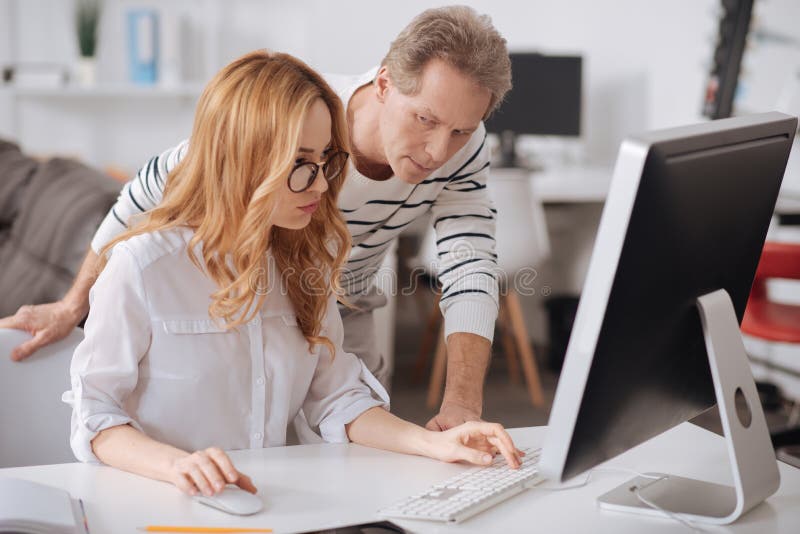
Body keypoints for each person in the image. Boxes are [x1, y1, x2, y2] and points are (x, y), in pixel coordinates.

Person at [3, 6, 511, 432]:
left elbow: (469, 265)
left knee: (357, 431)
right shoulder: (303, 114)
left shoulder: (463, 150)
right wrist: (73, 304)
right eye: (425, 119)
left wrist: (462, 407)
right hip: (259, 288)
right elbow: (141, 194)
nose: (439, 151)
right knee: (257, 431)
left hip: (346, 296)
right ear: (384, 84)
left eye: (462, 131)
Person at [62, 51, 521, 497]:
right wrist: (176, 465)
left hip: (263, 506)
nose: (322, 184)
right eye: (301, 164)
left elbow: (337, 397)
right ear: (244, 159)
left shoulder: (307, 267)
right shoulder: (141, 269)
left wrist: (434, 443)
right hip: (156, 507)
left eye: (324, 161)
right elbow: (95, 417)